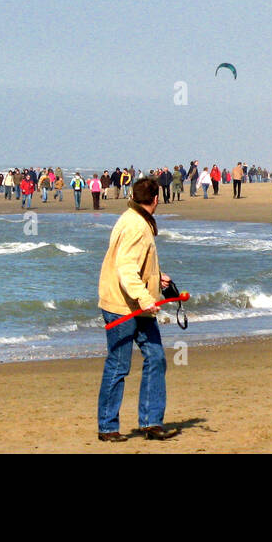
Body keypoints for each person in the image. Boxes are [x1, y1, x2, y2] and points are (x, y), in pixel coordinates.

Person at [96, 177, 177, 442]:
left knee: (156, 357)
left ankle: (151, 422)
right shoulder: (135, 225)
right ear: (156, 199)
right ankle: (107, 427)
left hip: (138, 305)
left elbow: (135, 265)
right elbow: (126, 268)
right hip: (122, 305)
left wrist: (157, 277)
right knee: (119, 365)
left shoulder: (135, 218)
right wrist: (145, 297)